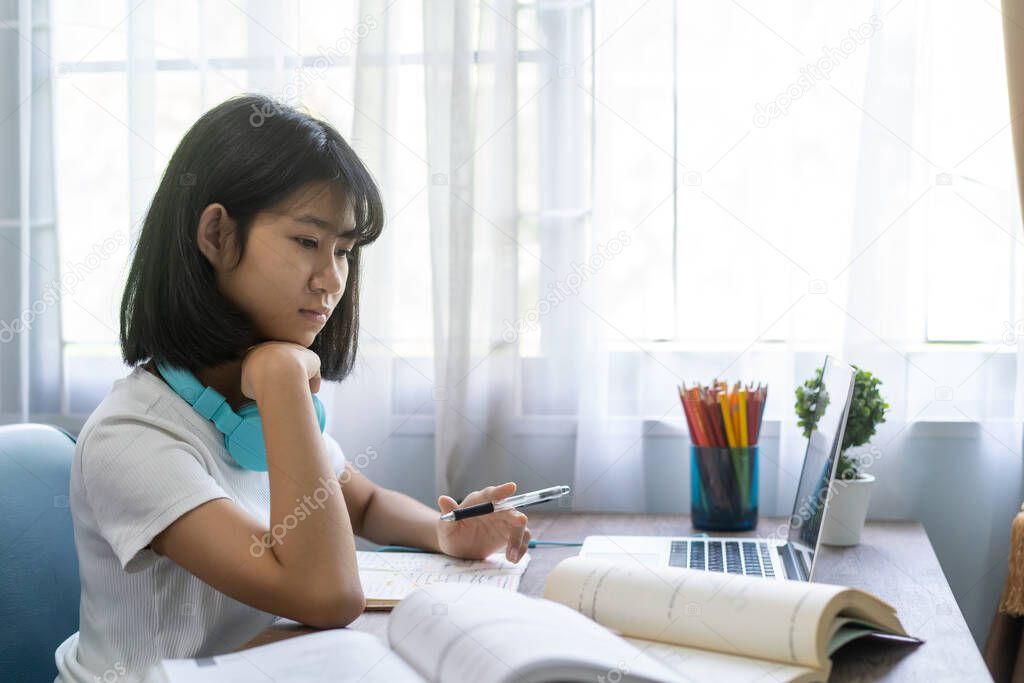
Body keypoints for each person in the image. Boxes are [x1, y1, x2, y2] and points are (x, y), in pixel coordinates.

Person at [54, 94, 531, 683]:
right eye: (307, 241)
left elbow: (365, 504)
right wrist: (283, 382)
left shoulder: (247, 404)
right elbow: (325, 595)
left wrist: (445, 532)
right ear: (217, 234)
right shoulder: (132, 438)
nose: (331, 279)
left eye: (344, 252)